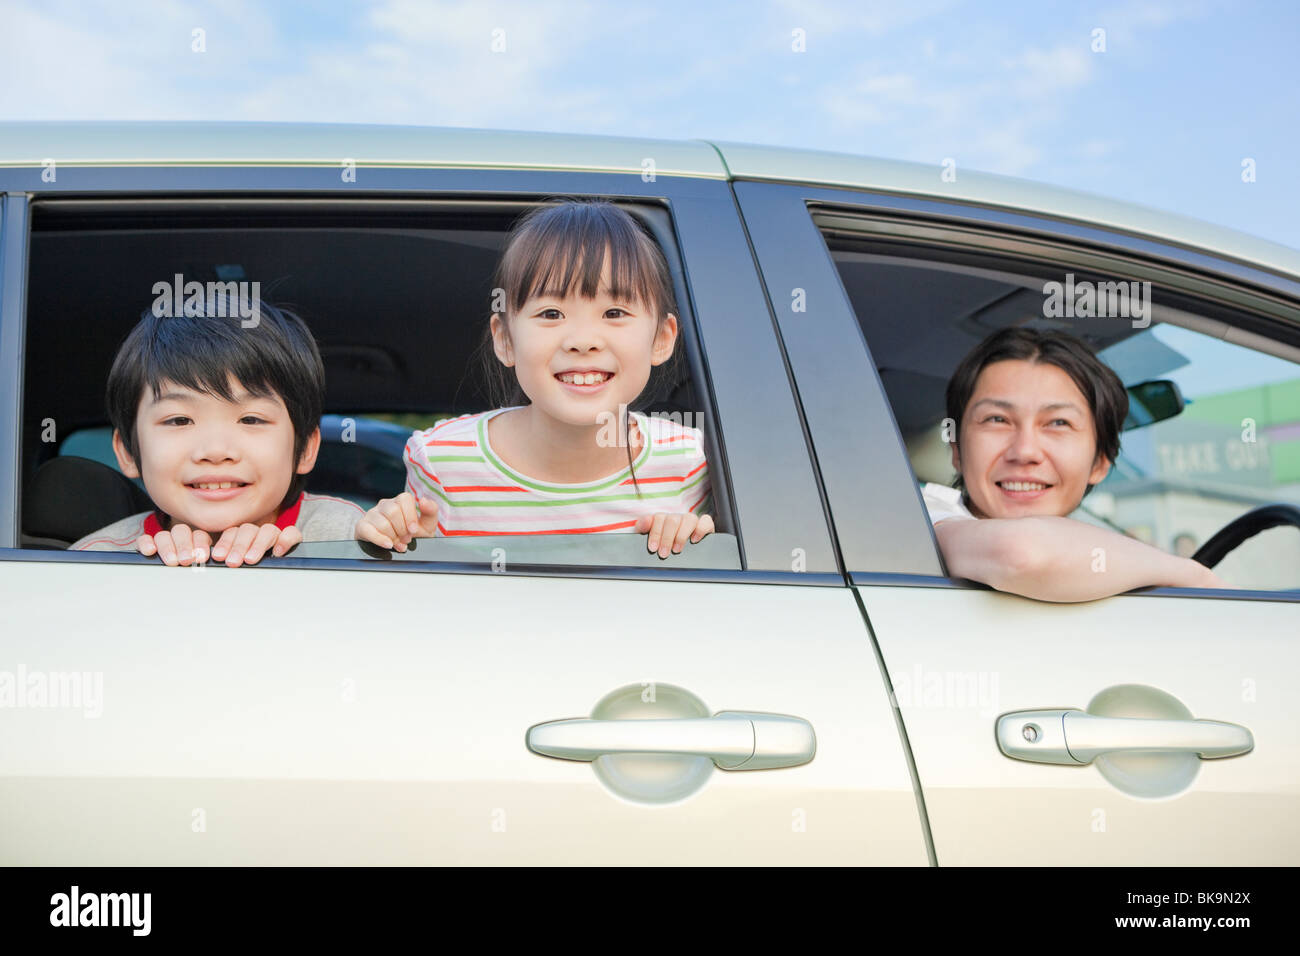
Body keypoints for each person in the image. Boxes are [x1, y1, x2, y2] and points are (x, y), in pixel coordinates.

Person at [356, 200, 714, 559]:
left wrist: (699, 540)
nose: (582, 340)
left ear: (663, 339)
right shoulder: (441, 460)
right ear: (506, 340)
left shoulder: (691, 459)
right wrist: (391, 537)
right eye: (551, 313)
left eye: (614, 312)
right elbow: (417, 583)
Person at [924, 326, 1227, 602]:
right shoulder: (926, 517)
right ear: (957, 450)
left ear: (1100, 462)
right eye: (997, 419)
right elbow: (1020, 554)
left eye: (1058, 422)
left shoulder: (1082, 562)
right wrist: (1193, 575)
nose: (1025, 451)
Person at [71, 294, 363, 565]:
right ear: (127, 452)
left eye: (251, 419)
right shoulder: (94, 562)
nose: (215, 451)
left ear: (307, 448)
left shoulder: (349, 538)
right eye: (179, 420)